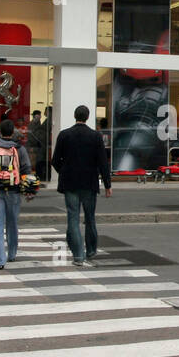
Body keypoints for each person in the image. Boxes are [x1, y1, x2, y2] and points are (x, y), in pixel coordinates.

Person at [52, 104, 112, 266]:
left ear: (74, 116)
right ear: (88, 117)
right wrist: (107, 184)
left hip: (70, 182)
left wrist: (64, 171)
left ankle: (78, 255)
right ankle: (91, 249)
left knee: (73, 217)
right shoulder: (95, 136)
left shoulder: (64, 135)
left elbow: (55, 160)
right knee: (90, 217)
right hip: (89, 182)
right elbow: (102, 163)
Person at [0, 118, 33, 269]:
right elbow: (26, 170)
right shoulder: (19, 149)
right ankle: (12, 254)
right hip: (14, 191)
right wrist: (28, 192)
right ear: (13, 132)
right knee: (12, 223)